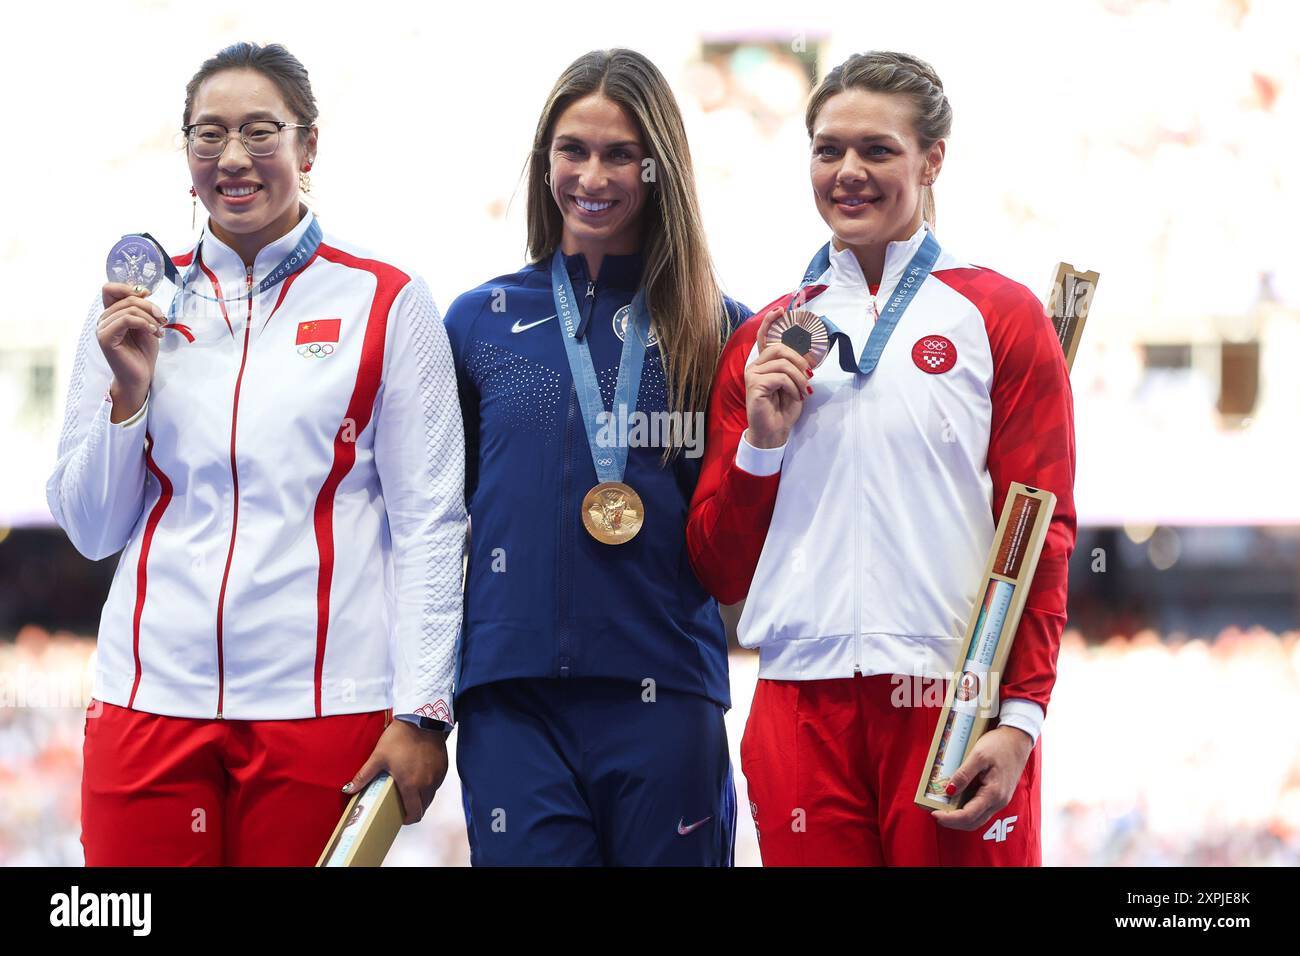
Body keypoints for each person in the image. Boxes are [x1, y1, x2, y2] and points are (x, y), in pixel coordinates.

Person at [47, 41, 466, 866]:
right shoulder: (133, 305)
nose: (232, 158)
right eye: (208, 135)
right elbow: (93, 529)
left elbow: (430, 522)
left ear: (308, 148)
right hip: (147, 699)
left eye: (259, 132)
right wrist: (126, 397)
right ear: (187, 156)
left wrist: (422, 710)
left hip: (322, 707)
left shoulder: (385, 299)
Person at [686, 51, 1077, 866]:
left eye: (878, 150)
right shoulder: (763, 341)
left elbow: (1042, 533)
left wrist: (1020, 720)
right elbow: (720, 571)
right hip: (799, 707)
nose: (848, 172)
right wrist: (761, 444)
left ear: (933, 159)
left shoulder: (999, 317)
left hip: (953, 701)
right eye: (828, 150)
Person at [443, 48, 749, 866]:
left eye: (621, 154)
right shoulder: (480, 321)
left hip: (666, 696)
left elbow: (738, 534)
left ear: (659, 169)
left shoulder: (719, 331)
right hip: (513, 703)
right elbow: (435, 528)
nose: (594, 174)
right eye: (573, 149)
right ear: (545, 160)